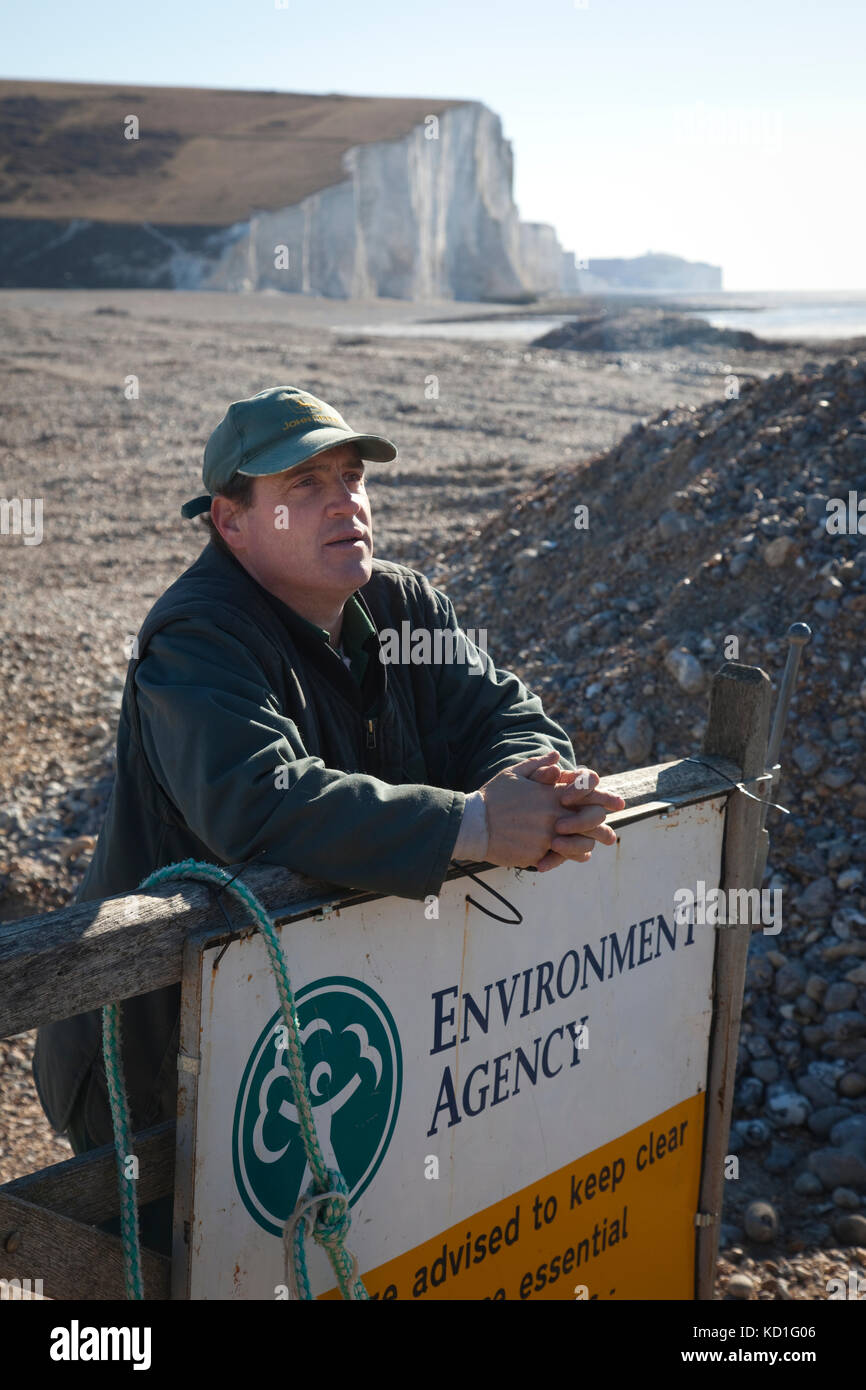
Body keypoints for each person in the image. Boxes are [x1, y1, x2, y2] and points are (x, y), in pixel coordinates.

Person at [32, 385, 624, 1254]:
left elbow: (502, 709)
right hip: (162, 1058)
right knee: (196, 1265)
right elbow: (258, 803)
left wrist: (527, 787)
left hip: (325, 1033)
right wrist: (475, 825)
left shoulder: (400, 607)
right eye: (302, 486)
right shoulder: (198, 639)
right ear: (230, 523)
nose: (345, 500)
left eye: (350, 476)